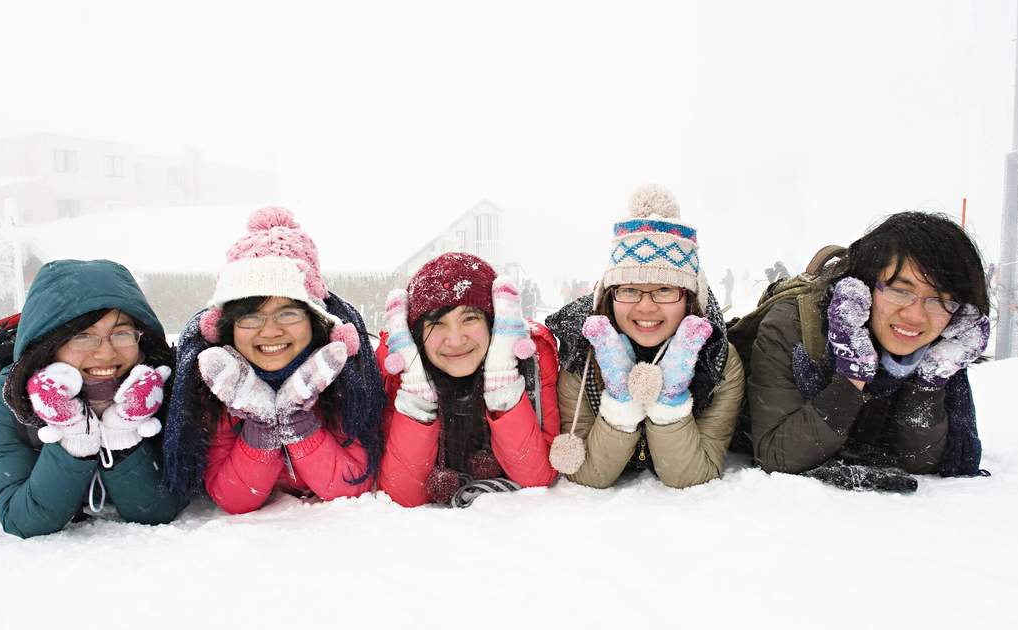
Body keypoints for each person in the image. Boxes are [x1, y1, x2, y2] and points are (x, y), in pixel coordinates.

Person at [162, 208, 385, 514]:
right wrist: (261, 421)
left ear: (315, 321)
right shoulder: (218, 386)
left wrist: (296, 418)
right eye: (251, 316)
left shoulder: (343, 381)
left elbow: (352, 484)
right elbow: (233, 498)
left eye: (288, 313)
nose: (270, 331)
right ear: (226, 327)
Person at [748, 211, 991, 491]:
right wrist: (852, 376)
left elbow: (920, 462)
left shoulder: (941, 343)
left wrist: (929, 381)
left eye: (940, 299)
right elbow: (778, 455)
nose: (915, 316)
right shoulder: (794, 325)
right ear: (865, 285)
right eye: (901, 290)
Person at [545, 184, 744, 488]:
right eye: (629, 290)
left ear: (690, 299)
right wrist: (620, 402)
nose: (646, 307)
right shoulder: (582, 351)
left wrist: (671, 399)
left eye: (664, 289)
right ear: (609, 296)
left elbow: (693, 475)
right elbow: (588, 474)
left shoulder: (718, 360)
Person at [0, 259, 188, 538]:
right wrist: (73, 439)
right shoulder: (12, 397)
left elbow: (158, 509)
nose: (106, 353)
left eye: (121, 333)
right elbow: (20, 519)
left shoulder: (162, 387)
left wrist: (122, 437)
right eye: (82, 336)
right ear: (49, 344)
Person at [378, 253, 560, 507]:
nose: (455, 339)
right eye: (437, 323)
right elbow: (402, 495)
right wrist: (416, 392)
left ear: (493, 323)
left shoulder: (531, 358)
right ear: (417, 334)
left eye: (470, 318)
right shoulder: (399, 367)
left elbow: (536, 479)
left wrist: (502, 379)